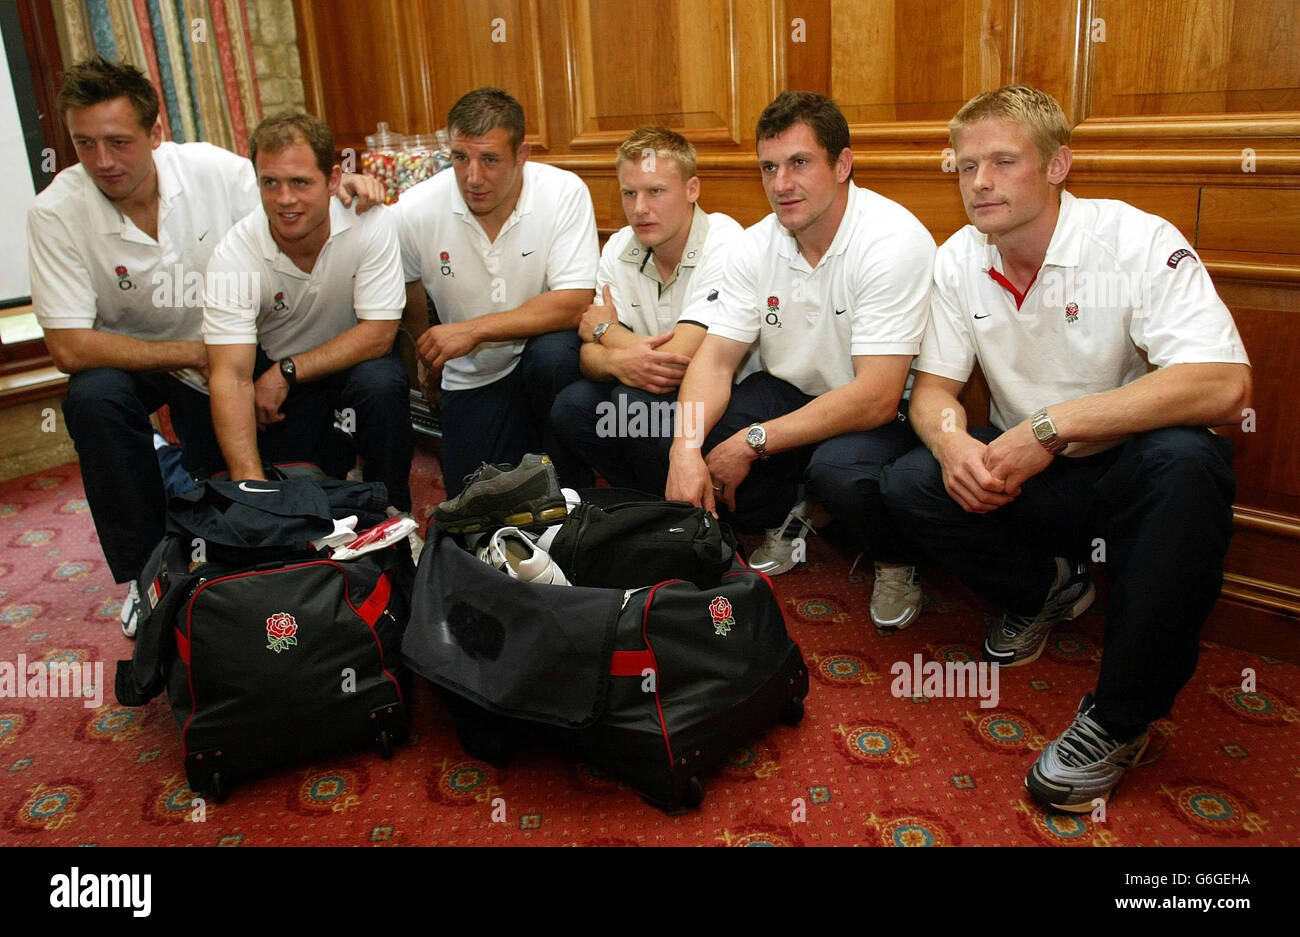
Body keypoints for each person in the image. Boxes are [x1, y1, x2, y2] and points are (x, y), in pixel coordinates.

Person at [880, 85, 1252, 811]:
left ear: (1057, 166)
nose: (980, 181)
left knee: (1189, 462)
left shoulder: (1134, 240)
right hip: (1034, 474)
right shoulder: (959, 257)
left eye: (1003, 161)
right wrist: (954, 443)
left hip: (1132, 474)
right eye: (965, 166)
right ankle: (1048, 589)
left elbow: (1225, 385)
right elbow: (931, 395)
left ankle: (1120, 719)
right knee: (907, 479)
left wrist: (1053, 426)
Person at [27, 56, 381, 636]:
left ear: (157, 133)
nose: (104, 162)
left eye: (119, 142)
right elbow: (69, 346)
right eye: (84, 144)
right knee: (93, 397)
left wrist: (349, 190)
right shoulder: (54, 212)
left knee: (254, 475)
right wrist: (193, 354)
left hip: (240, 348)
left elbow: (293, 200)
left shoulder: (214, 170)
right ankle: (149, 575)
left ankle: (188, 469)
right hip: (152, 359)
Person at [657, 91, 935, 627]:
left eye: (800, 163)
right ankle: (804, 508)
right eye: (769, 166)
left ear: (842, 164)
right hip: (797, 392)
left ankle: (895, 558)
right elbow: (714, 362)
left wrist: (754, 442)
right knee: (700, 428)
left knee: (839, 469)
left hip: (887, 407)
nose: (781, 184)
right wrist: (683, 447)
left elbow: (876, 394)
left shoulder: (892, 240)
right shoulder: (756, 244)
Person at [396, 87, 599, 502]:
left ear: (521, 153)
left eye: (489, 159)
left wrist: (472, 330)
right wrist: (428, 352)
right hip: (473, 372)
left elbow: (575, 300)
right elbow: (408, 283)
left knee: (554, 357)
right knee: (469, 506)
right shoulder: (414, 209)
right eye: (459, 158)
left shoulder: (564, 191)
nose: (473, 177)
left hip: (542, 358)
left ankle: (574, 490)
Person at [202, 112, 411, 510]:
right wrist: (252, 491)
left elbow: (379, 333)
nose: (285, 199)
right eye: (270, 183)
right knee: (291, 491)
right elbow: (228, 375)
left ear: (333, 181)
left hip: (351, 360)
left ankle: (393, 516)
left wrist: (286, 372)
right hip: (277, 370)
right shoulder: (233, 254)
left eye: (300, 182)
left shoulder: (370, 222)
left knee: (382, 384)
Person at [550, 125, 743, 494]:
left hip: (719, 398)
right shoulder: (619, 246)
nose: (640, 208)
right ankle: (645, 506)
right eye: (629, 193)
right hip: (647, 391)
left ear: (692, 190)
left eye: (656, 191)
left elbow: (677, 359)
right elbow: (588, 355)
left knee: (632, 405)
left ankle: (686, 523)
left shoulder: (725, 240)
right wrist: (613, 362)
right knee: (572, 407)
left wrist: (608, 334)